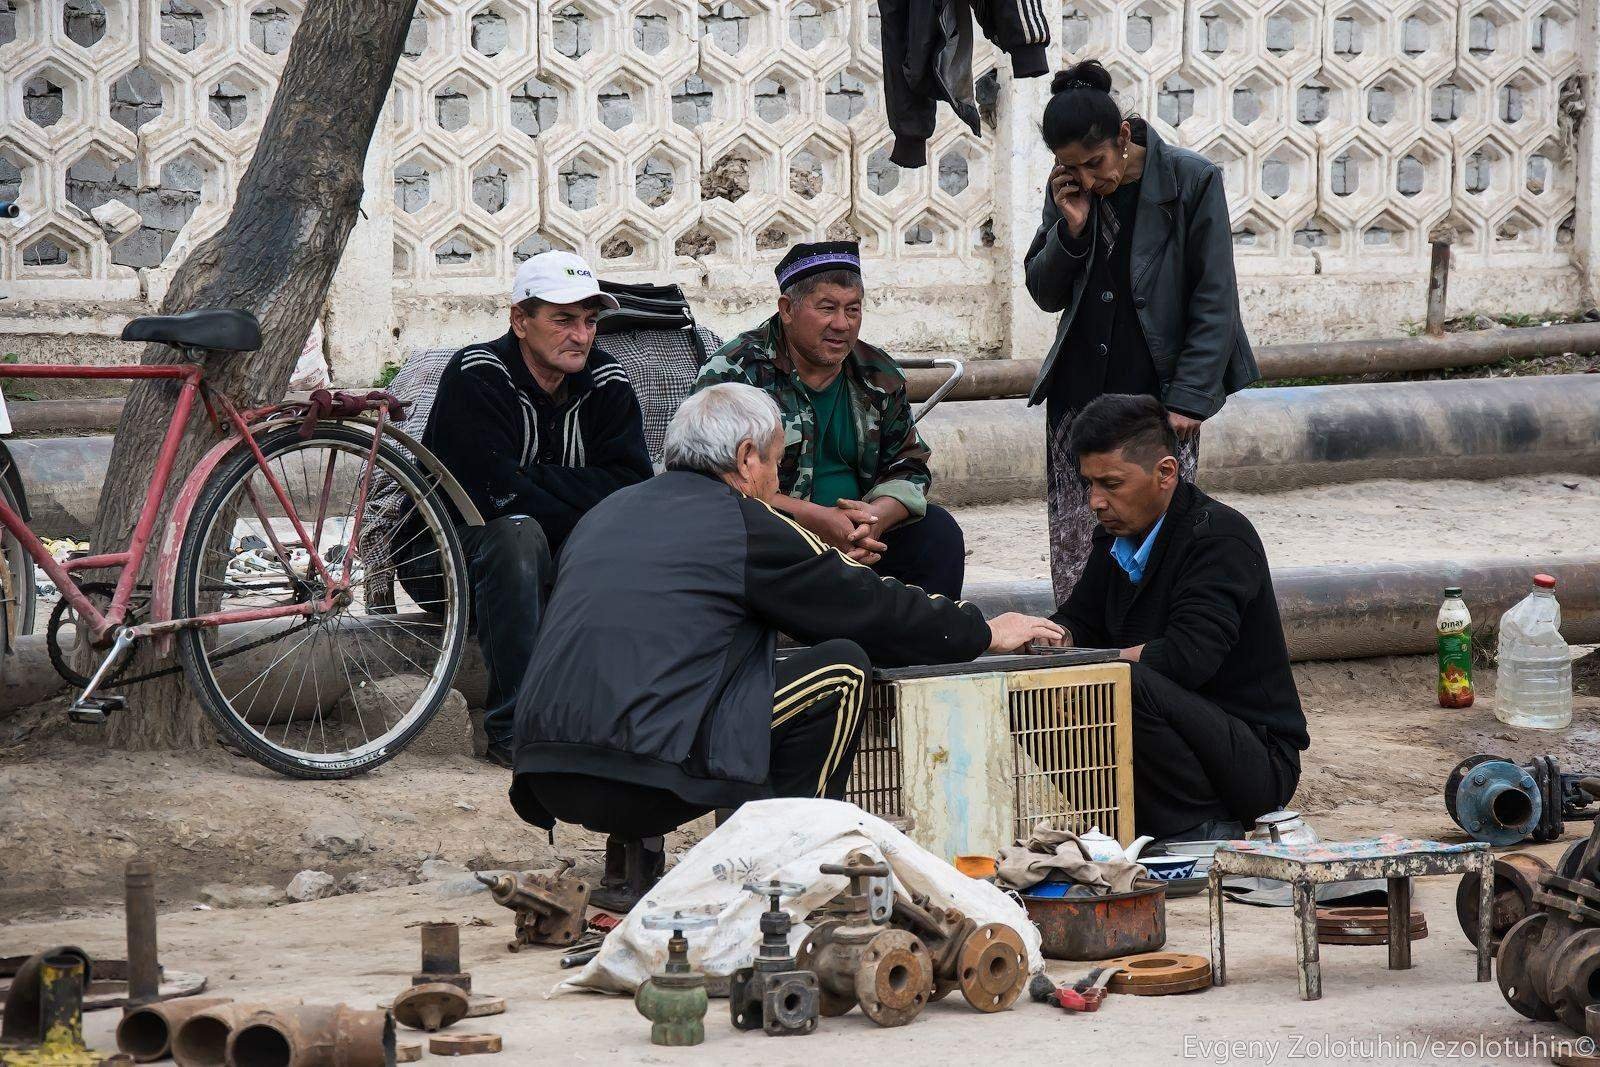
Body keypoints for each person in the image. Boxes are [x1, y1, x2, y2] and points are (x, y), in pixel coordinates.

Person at [509, 383, 1063, 865]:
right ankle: (797, 862)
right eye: (777, 461)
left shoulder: (605, 513)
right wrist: (983, 631)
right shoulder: (748, 522)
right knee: (841, 669)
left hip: (544, 771)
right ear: (747, 458)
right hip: (644, 780)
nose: (778, 479)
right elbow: (869, 605)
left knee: (686, 676)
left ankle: (631, 860)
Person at [1024, 60, 1259, 603]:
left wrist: (1190, 398)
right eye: (1071, 166)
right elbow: (1044, 292)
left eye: (1095, 161)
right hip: (1077, 396)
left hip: (1159, 398)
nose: (1088, 177)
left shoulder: (1191, 180)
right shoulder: (1068, 189)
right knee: (1080, 545)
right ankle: (1084, 656)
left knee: (1158, 538)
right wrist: (1071, 229)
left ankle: (1150, 656)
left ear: (1123, 136)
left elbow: (1215, 297)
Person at [415, 251, 652, 768]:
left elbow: (633, 487)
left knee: (630, 540)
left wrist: (532, 480)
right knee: (518, 534)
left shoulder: (608, 379)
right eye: (564, 319)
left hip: (555, 561)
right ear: (520, 320)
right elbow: (490, 496)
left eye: (590, 321)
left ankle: (617, 722)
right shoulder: (478, 373)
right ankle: (515, 731)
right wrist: (577, 495)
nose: (581, 335)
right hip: (448, 562)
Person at [1035, 394, 1307, 843]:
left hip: (1255, 762)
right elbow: (1078, 620)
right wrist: (1048, 639)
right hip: (1186, 738)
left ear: (1165, 473)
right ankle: (1133, 820)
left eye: (1112, 484)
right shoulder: (1115, 538)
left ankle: (1198, 826)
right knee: (1037, 682)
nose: (1095, 502)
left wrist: (1092, 662)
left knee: (1120, 679)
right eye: (1089, 484)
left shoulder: (1219, 537)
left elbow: (1186, 657)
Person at [693, 240, 966, 599]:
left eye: (853, 310)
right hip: (773, 537)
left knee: (938, 532)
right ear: (787, 309)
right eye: (827, 308)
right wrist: (811, 518)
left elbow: (908, 465)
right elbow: (710, 481)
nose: (842, 324)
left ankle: (926, 646)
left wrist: (874, 519)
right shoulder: (735, 372)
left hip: (858, 540)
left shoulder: (877, 372)